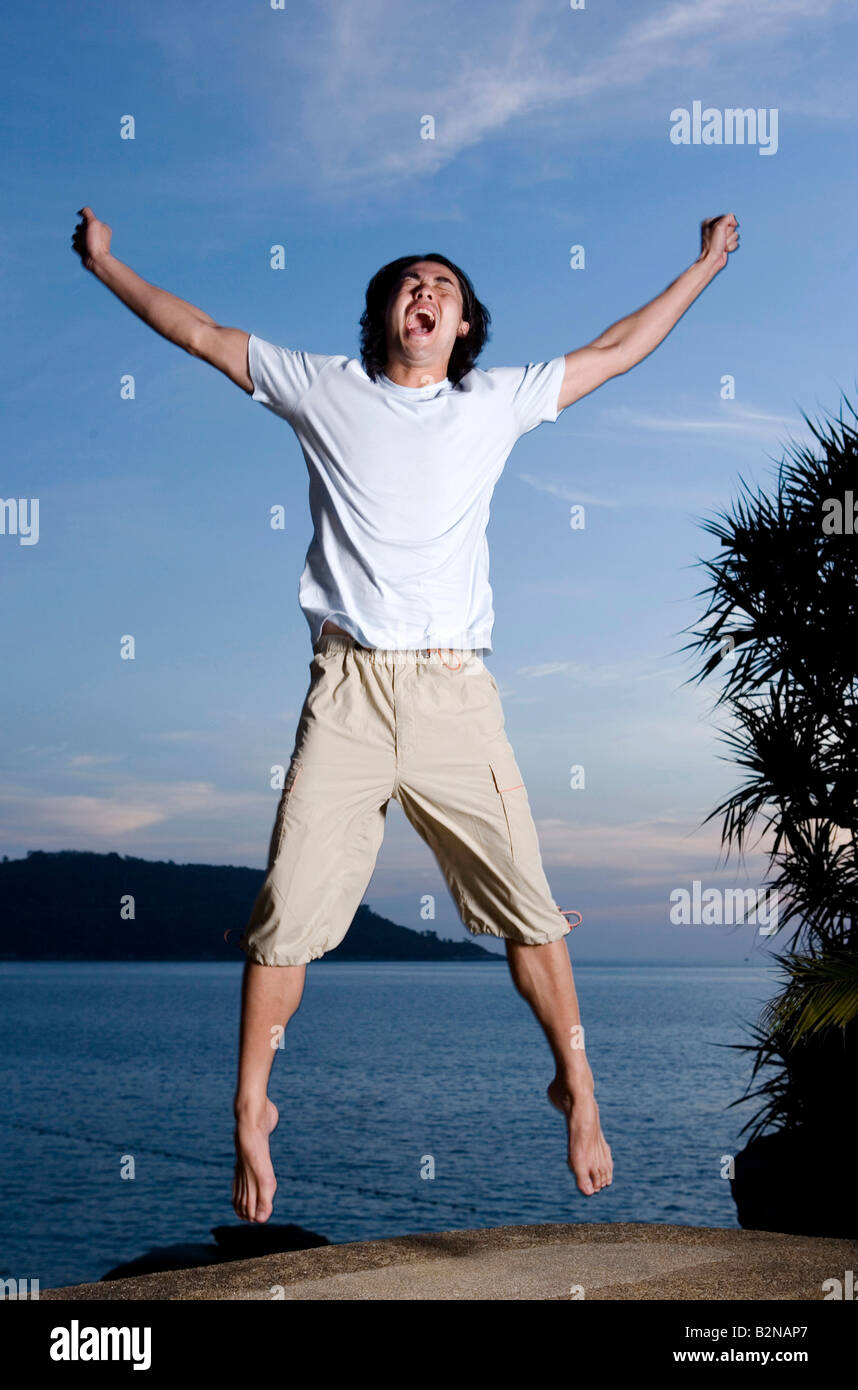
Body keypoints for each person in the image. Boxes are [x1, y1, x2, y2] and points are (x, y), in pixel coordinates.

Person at [72, 207, 740, 1222]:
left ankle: (580, 1085)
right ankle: (251, 1105)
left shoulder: (495, 404)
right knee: (286, 914)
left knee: (528, 901)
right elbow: (199, 330)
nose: (427, 294)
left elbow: (615, 349)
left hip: (453, 694)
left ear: (465, 326)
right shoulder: (323, 388)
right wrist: (108, 264)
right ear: (383, 311)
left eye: (447, 289)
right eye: (410, 283)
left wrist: (705, 267)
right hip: (345, 692)